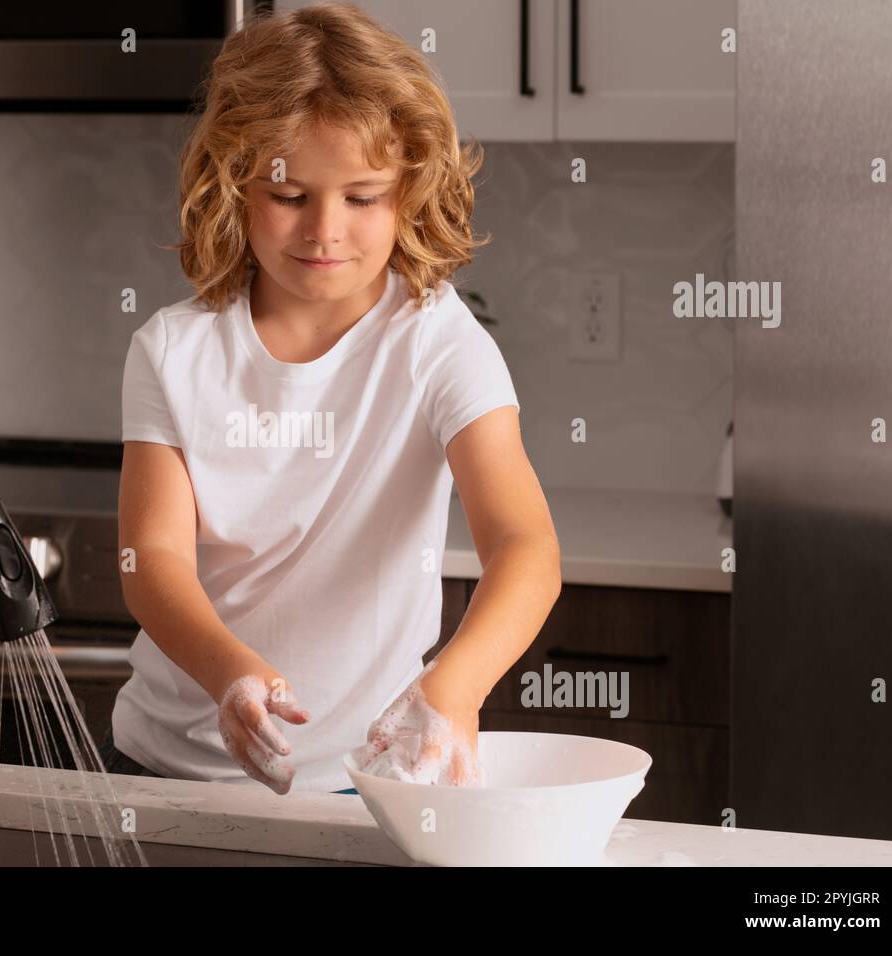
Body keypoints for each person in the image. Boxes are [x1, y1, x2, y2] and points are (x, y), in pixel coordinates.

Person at [105, 2, 561, 795]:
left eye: (361, 196)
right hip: (165, 769)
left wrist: (454, 688)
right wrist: (230, 673)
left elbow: (526, 548)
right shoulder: (173, 352)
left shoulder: (438, 344)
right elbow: (153, 561)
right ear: (233, 186)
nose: (324, 230)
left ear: (409, 192)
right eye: (289, 196)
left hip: (364, 778)